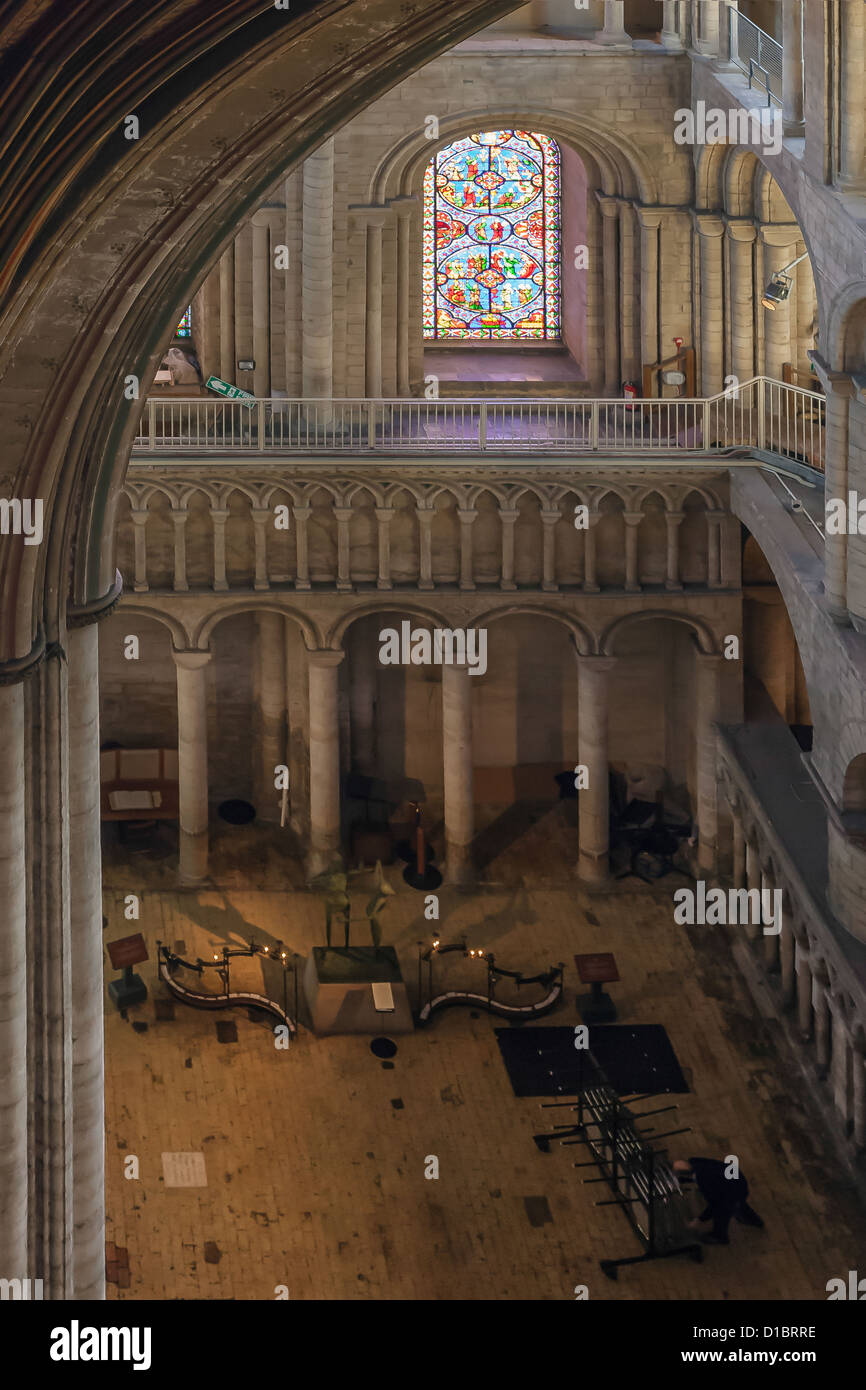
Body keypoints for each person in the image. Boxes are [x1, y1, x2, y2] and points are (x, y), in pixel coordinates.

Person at [673, 1157, 765, 1245]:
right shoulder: (694, 1161)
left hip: (733, 1189)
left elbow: (715, 1204)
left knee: (722, 1211)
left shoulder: (703, 1179)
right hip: (737, 1179)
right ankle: (754, 1220)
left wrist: (699, 1220)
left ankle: (720, 1237)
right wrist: (683, 1180)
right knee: (738, 1203)